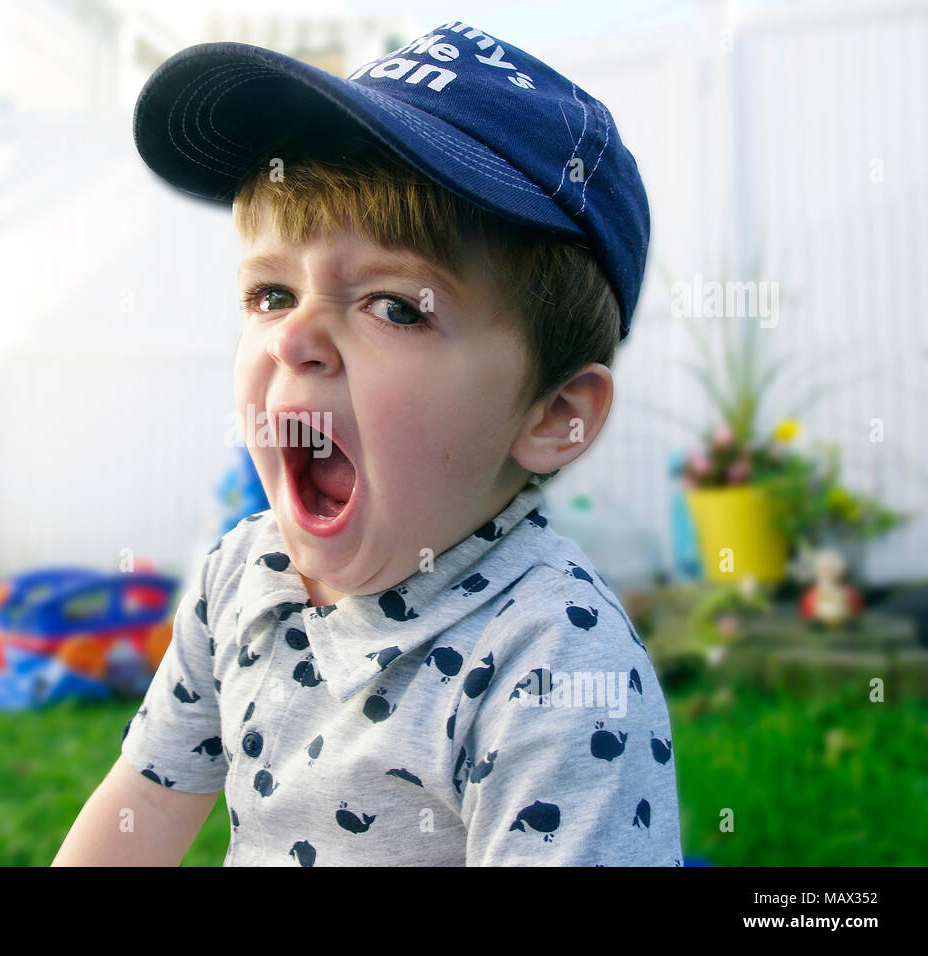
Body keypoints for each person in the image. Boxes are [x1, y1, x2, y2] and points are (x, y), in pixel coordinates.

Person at [54, 19, 682, 866]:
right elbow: (143, 802)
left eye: (396, 306)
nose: (295, 339)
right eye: (272, 294)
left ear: (552, 414)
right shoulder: (240, 579)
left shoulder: (553, 662)